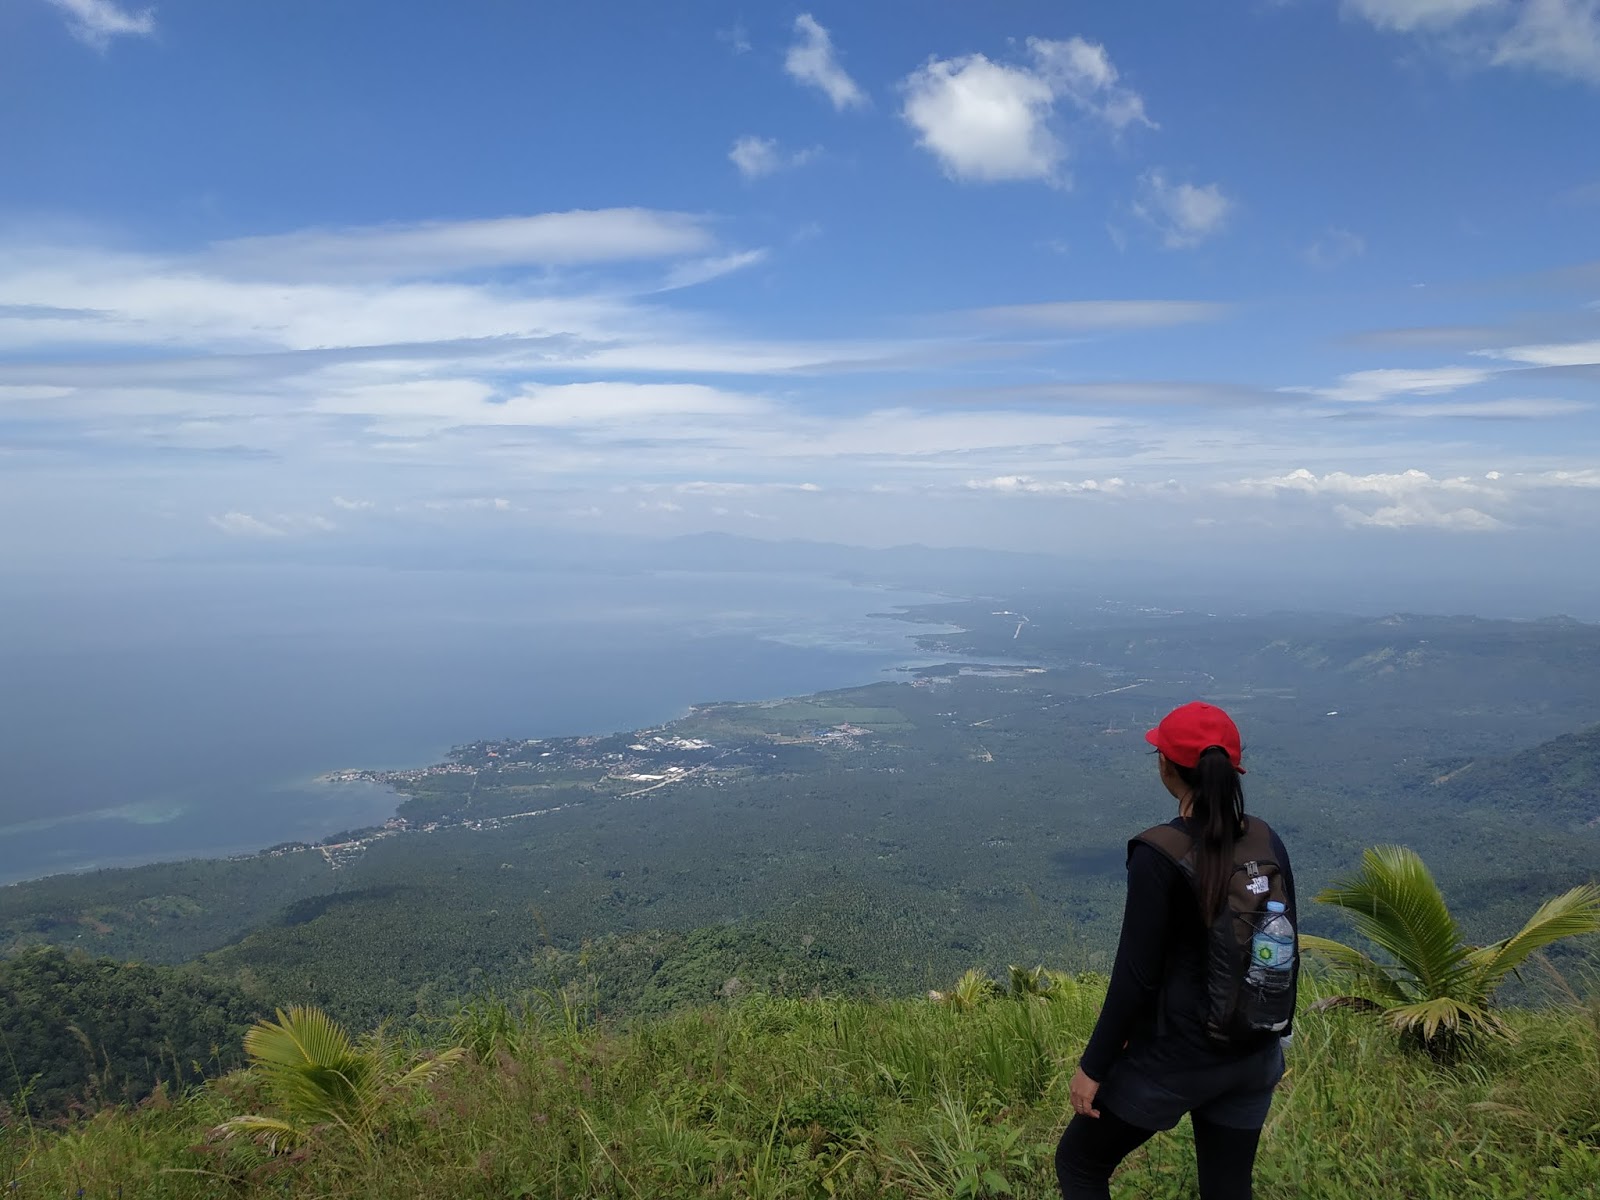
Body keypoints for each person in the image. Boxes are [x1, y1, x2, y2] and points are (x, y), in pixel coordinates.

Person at [1055, 701, 1296, 1200]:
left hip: (1180, 1058)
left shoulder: (1159, 853)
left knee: (1080, 1161)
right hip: (1255, 1051)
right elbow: (1282, 939)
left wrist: (1092, 1068)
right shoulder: (1265, 838)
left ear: (1166, 766)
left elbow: (1134, 978)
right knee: (1227, 1188)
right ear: (1233, 770)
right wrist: (1273, 1039)